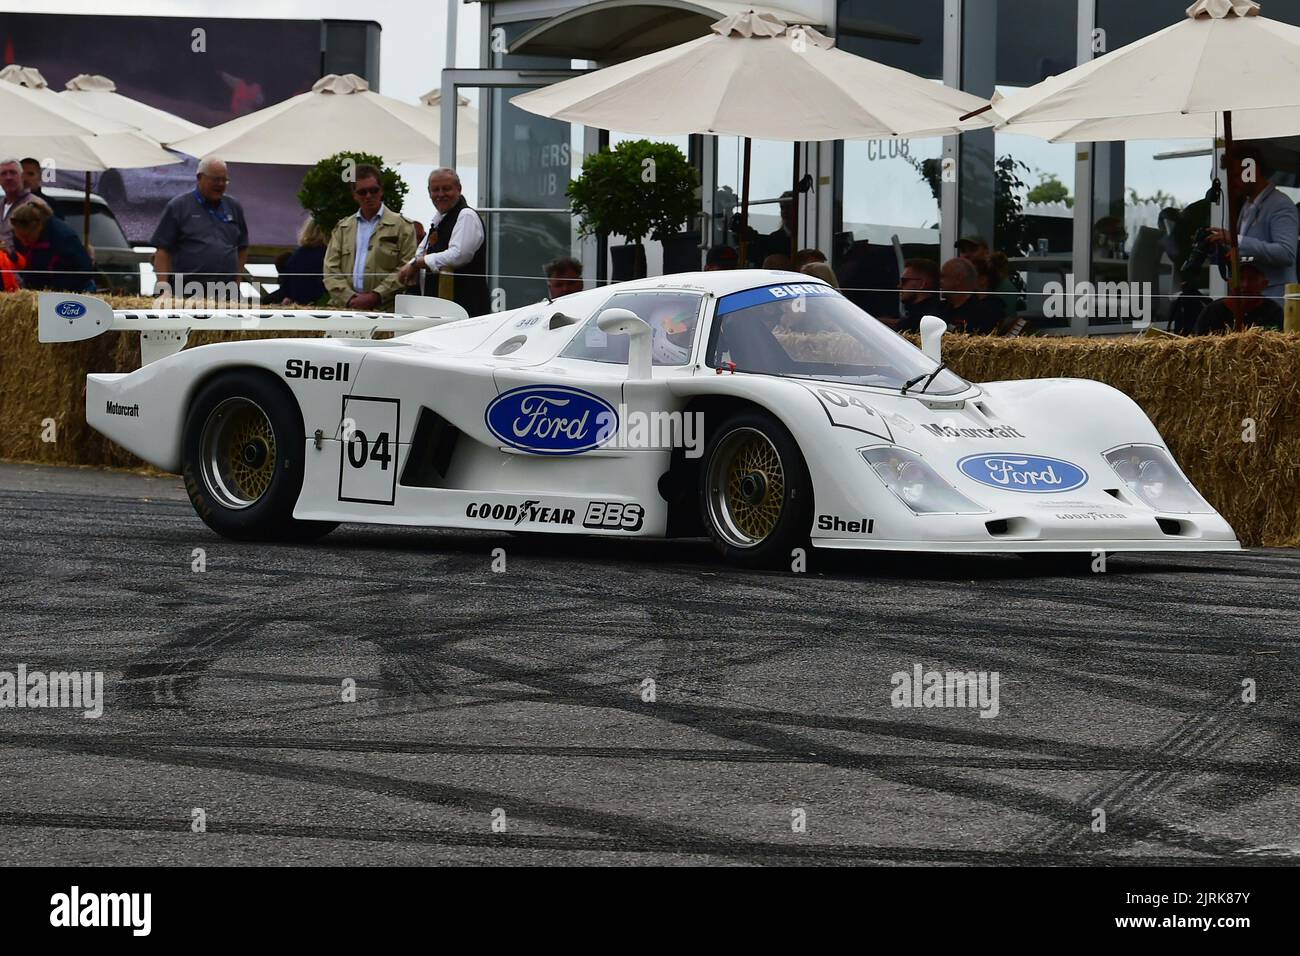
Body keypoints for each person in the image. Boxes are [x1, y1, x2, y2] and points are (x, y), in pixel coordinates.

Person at [1206, 143, 1299, 305]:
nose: (1232, 183)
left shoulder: (1280, 204)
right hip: (1255, 302)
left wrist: (1237, 240)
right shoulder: (1249, 205)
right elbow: (1251, 251)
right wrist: (1223, 247)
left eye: (1235, 176)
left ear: (1252, 171)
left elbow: (1286, 253)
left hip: (1277, 301)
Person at [323, 164, 417, 312]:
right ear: (354, 195)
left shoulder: (402, 226)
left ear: (381, 190)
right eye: (362, 192)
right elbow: (330, 270)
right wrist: (349, 298)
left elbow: (407, 267)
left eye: (373, 190)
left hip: (387, 309)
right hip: (345, 310)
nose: (368, 196)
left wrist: (377, 295)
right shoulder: (342, 228)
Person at [398, 167, 489, 317]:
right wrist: (413, 266)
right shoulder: (438, 221)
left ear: (459, 189)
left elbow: (458, 255)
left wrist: (416, 264)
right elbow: (420, 252)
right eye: (435, 190)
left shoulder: (466, 215)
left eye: (446, 189)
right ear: (429, 192)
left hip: (465, 310)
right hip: (442, 309)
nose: (441, 194)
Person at [150, 155, 249, 291]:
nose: (220, 184)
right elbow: (162, 251)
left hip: (225, 292)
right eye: (215, 179)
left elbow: (242, 247)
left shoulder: (234, 207)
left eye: (224, 180)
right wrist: (163, 289)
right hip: (186, 291)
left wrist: (237, 283)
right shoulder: (178, 206)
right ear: (199, 177)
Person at [9, 201, 94, 292]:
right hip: (41, 290)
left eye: (27, 237)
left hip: (75, 290)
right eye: (19, 237)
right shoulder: (21, 237)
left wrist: (57, 289)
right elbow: (27, 268)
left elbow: (85, 270)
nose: (24, 242)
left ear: (39, 226)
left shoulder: (64, 238)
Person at [1195, 263, 1282, 333]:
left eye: (1252, 279)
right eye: (1240, 279)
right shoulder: (1212, 312)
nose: (1245, 285)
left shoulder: (1273, 311)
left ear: (1265, 284)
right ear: (1230, 283)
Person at [0, 157, 51, 253]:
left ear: (22, 176)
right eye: (3, 173)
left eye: (13, 172)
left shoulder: (36, 204)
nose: (8, 177)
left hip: (24, 265)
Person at [939, 257, 1001, 334]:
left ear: (958, 279)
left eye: (943, 276)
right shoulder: (940, 309)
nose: (940, 282)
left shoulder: (982, 314)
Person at [278, 217, 329, 305]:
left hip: (298, 307)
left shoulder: (296, 256)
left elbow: (286, 288)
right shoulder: (328, 255)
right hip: (322, 308)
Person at [886, 258, 942, 334]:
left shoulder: (925, 320)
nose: (899, 286)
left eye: (904, 281)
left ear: (922, 284)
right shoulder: (915, 316)